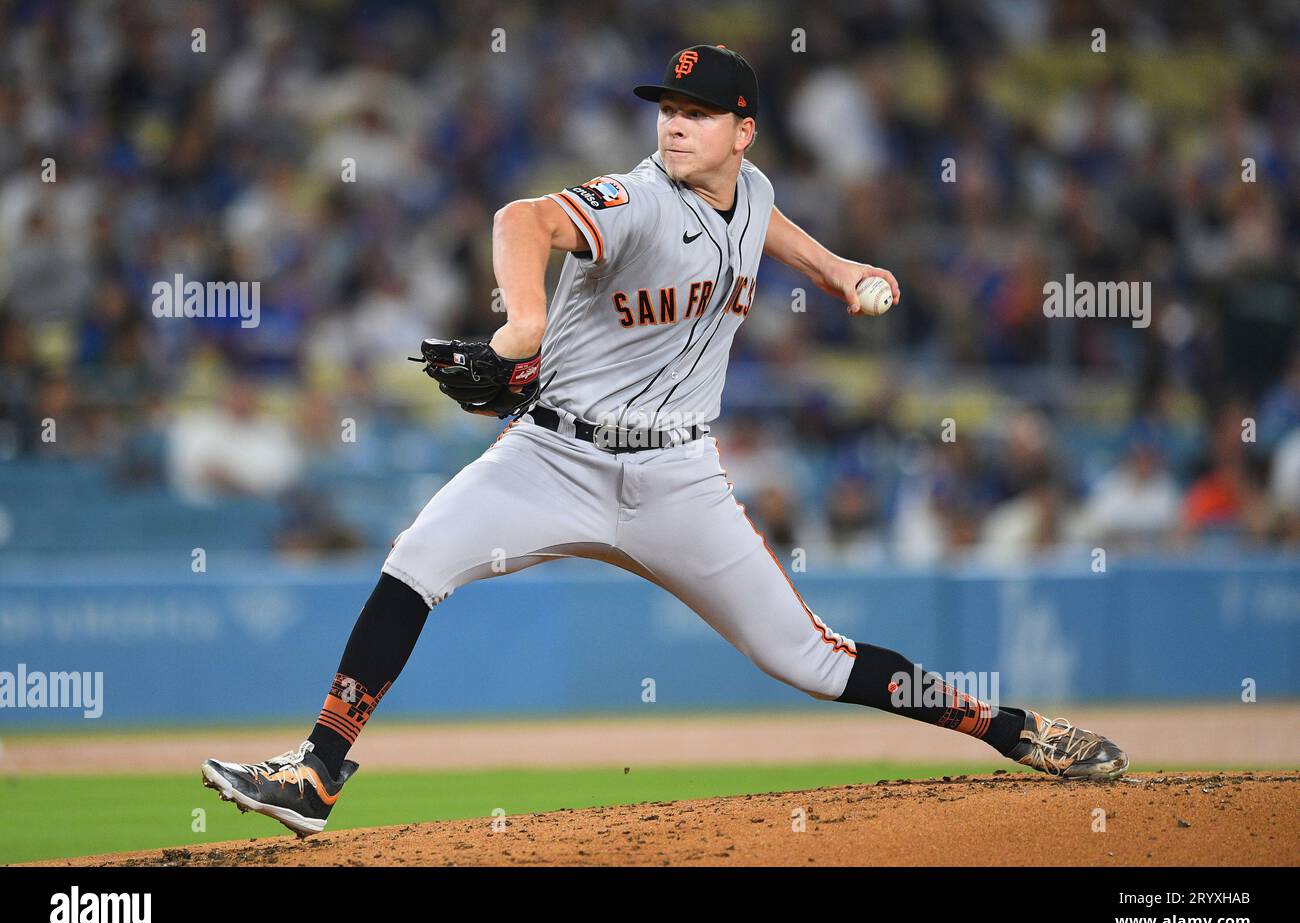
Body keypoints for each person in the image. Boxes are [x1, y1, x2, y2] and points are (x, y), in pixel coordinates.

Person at [201, 45, 1128, 837]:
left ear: (743, 131)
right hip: (554, 459)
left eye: (698, 113)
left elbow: (762, 222)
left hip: (678, 476)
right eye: (667, 110)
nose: (674, 127)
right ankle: (319, 770)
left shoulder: (752, 190)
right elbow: (521, 219)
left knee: (809, 660)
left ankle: (1012, 731)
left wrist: (839, 269)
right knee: (416, 558)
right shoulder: (635, 200)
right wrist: (522, 326)